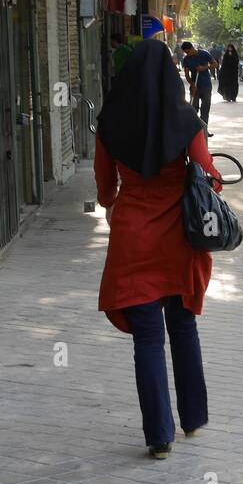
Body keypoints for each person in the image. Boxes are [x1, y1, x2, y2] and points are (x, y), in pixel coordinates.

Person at [95, 40, 222, 459]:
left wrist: (121, 200)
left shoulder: (111, 122)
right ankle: (193, 418)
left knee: (148, 338)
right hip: (178, 240)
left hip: (133, 241)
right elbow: (208, 176)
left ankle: (159, 436)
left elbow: (104, 192)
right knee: (183, 327)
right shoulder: (185, 120)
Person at [180, 40, 215, 133]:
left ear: (192, 48)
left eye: (188, 52)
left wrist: (204, 68)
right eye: (185, 53)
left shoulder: (204, 54)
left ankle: (204, 130)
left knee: (205, 109)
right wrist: (192, 84)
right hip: (195, 87)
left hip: (206, 86)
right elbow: (187, 75)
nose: (187, 54)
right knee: (194, 109)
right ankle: (194, 131)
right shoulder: (186, 59)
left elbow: (215, 64)